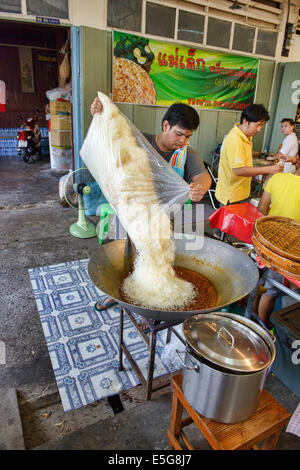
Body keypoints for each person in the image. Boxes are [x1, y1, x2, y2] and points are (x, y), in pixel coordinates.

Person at [90, 96, 211, 314]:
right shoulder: (140, 142)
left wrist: (199, 187)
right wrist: (100, 115)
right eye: (179, 134)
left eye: (188, 136)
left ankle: (148, 307)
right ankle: (117, 295)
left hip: (162, 221)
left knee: (154, 259)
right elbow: (109, 139)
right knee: (123, 257)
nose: (183, 140)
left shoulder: (187, 154)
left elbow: (202, 176)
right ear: (166, 125)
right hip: (130, 214)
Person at [257, 154, 300, 327]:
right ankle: (277, 333)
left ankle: (262, 326)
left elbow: (261, 209)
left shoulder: (277, 178)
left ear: (297, 158)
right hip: (293, 252)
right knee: (286, 292)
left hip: (271, 245)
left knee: (270, 288)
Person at [215, 104, 283, 207]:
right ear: (246, 121)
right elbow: (239, 170)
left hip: (240, 192)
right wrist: (269, 169)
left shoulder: (246, 135)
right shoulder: (235, 139)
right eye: (257, 125)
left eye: (261, 125)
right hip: (232, 195)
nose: (259, 129)